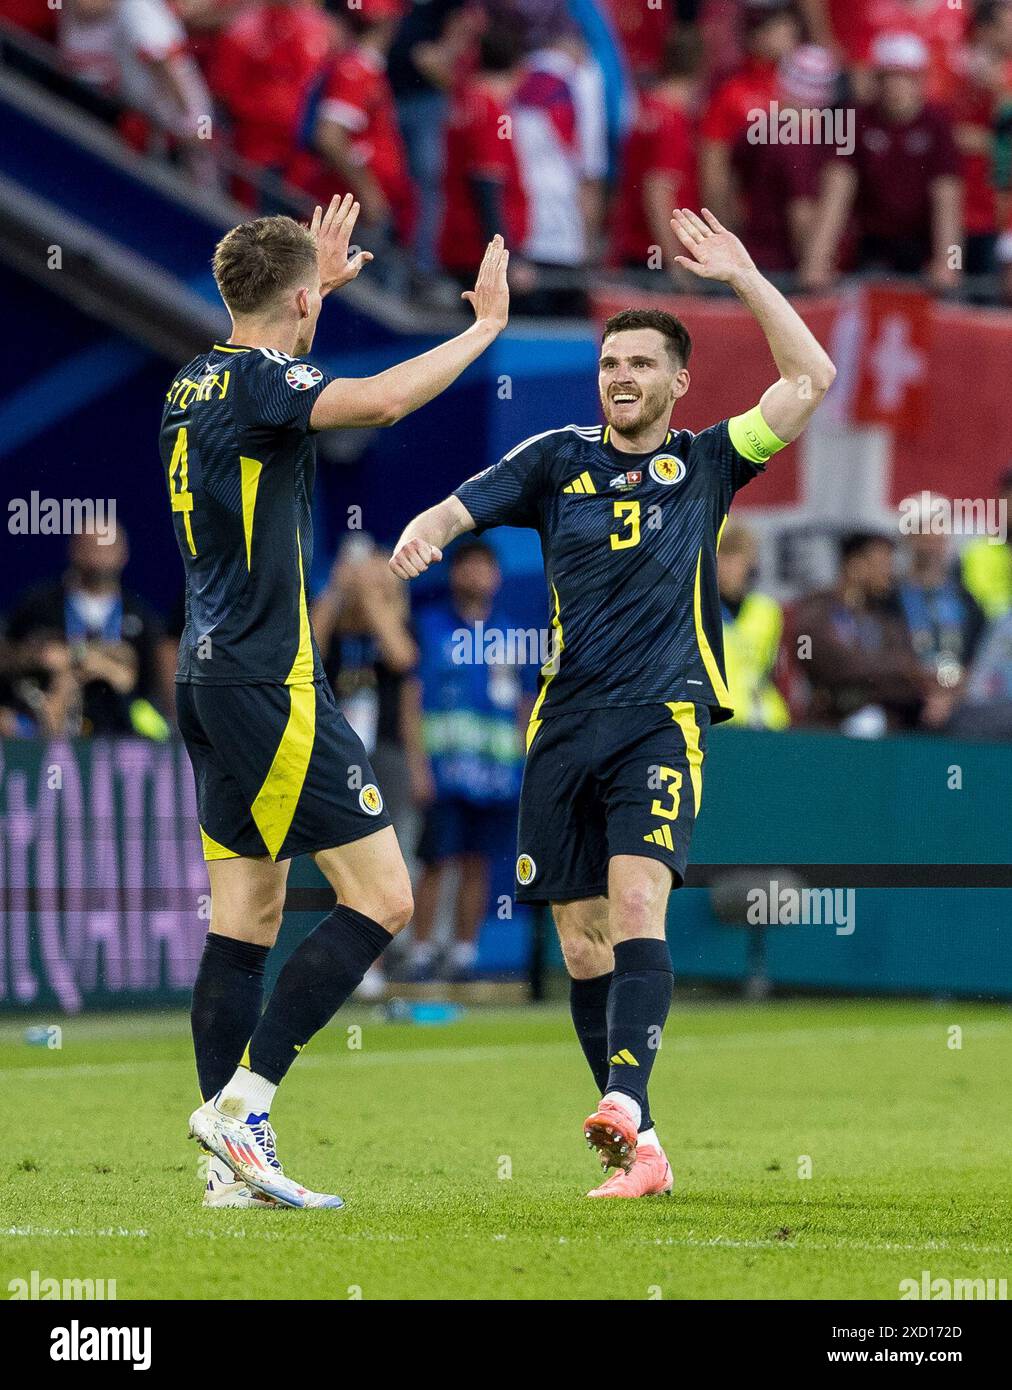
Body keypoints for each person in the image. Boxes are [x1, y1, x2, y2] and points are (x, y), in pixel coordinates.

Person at [389, 207, 836, 1198]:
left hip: (660, 713)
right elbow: (462, 504)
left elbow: (812, 380)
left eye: (640, 363)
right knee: (582, 942)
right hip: (562, 724)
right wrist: (427, 527)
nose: (621, 378)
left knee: (639, 905)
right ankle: (644, 1147)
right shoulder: (557, 460)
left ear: (678, 380)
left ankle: (626, 1101)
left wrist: (747, 277)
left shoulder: (710, 463)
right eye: (609, 365)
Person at [168, 195, 510, 1209]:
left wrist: (313, 293)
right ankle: (244, 1107)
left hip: (204, 674)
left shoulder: (192, 379)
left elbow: (275, 357)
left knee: (247, 917)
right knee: (385, 898)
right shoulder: (268, 380)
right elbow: (383, 399)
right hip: (271, 681)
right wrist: (483, 326)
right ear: (303, 301)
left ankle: (227, 1167)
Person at [401, 539, 527, 983]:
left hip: (498, 774)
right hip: (444, 771)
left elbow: (525, 705)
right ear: (454, 575)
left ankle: (462, 954)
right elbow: (411, 698)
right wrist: (417, 766)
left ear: (497, 577)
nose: (477, 576)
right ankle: (420, 952)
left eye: (486, 568)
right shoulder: (429, 627)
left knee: (479, 863)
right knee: (436, 860)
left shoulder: (513, 637)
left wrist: (527, 761)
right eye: (469, 567)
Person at [800, 31, 963, 291]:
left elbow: (947, 198)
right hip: (871, 245)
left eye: (905, 78)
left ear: (920, 81)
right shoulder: (856, 119)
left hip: (921, 245)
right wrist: (817, 259)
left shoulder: (938, 124)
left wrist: (949, 262)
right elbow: (837, 189)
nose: (896, 87)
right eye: (889, 77)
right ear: (877, 80)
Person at [3, 528, 167, 739]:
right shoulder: (37, 606)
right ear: (73, 549)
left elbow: (143, 680)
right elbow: (9, 657)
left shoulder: (141, 616)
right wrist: (36, 657)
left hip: (123, 730)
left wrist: (83, 659)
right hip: (47, 724)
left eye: (107, 543)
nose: (99, 550)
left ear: (123, 553)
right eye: (90, 543)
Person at [792, 531, 926, 733]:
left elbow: (911, 666)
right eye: (882, 564)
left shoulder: (885, 617)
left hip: (889, 733)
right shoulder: (817, 611)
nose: (889, 572)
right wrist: (894, 672)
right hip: (829, 728)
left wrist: (879, 675)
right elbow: (835, 666)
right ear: (855, 565)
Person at [896, 493, 987, 729]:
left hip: (961, 703)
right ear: (908, 536)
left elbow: (982, 654)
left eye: (940, 527)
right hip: (905, 703)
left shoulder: (966, 600)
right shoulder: (889, 598)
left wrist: (951, 695)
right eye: (924, 528)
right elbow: (884, 653)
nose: (933, 537)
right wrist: (926, 688)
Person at [717, 521, 790, 729]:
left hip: (762, 720)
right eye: (722, 557)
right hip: (715, 721)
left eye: (735, 558)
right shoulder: (697, 608)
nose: (728, 567)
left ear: (750, 562)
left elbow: (777, 670)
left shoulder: (768, 610)